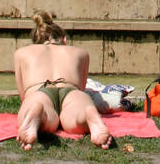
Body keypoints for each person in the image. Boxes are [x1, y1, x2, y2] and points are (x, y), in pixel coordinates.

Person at [14, 10, 113, 150]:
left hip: (39, 91)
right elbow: (81, 87)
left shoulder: (22, 53)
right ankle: (87, 114)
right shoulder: (80, 53)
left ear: (36, 40)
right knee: (75, 115)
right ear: (64, 39)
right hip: (71, 91)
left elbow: (23, 95)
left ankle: (39, 113)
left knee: (39, 111)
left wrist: (31, 102)